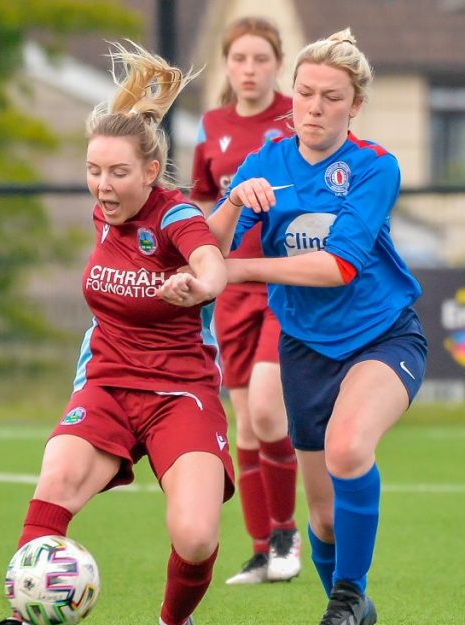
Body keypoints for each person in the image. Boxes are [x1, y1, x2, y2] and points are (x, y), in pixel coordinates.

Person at [0, 41, 232, 625]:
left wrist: (198, 286)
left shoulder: (175, 216)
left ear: (151, 173)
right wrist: (123, 123)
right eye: (94, 170)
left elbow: (211, 262)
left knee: (196, 536)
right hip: (110, 381)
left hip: (180, 392)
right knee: (56, 475)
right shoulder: (105, 211)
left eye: (117, 172)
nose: (102, 185)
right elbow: (116, 145)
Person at [184, 28, 429, 625]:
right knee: (322, 520)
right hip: (306, 351)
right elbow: (204, 250)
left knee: (351, 447)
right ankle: (347, 615)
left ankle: (347, 597)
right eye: (307, 94)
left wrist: (241, 271)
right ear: (292, 97)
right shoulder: (267, 161)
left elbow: (339, 267)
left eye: (332, 98)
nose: (315, 108)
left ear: (355, 107)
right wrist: (234, 200)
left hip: (383, 337)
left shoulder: (375, 166)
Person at [189, 16, 300, 586]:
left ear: (278, 63)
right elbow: (206, 215)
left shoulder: (294, 121)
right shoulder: (212, 125)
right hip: (231, 290)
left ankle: (286, 535)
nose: (250, 70)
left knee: (265, 408)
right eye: (239, 59)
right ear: (227, 65)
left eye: (260, 59)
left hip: (281, 284)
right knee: (245, 428)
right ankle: (261, 551)